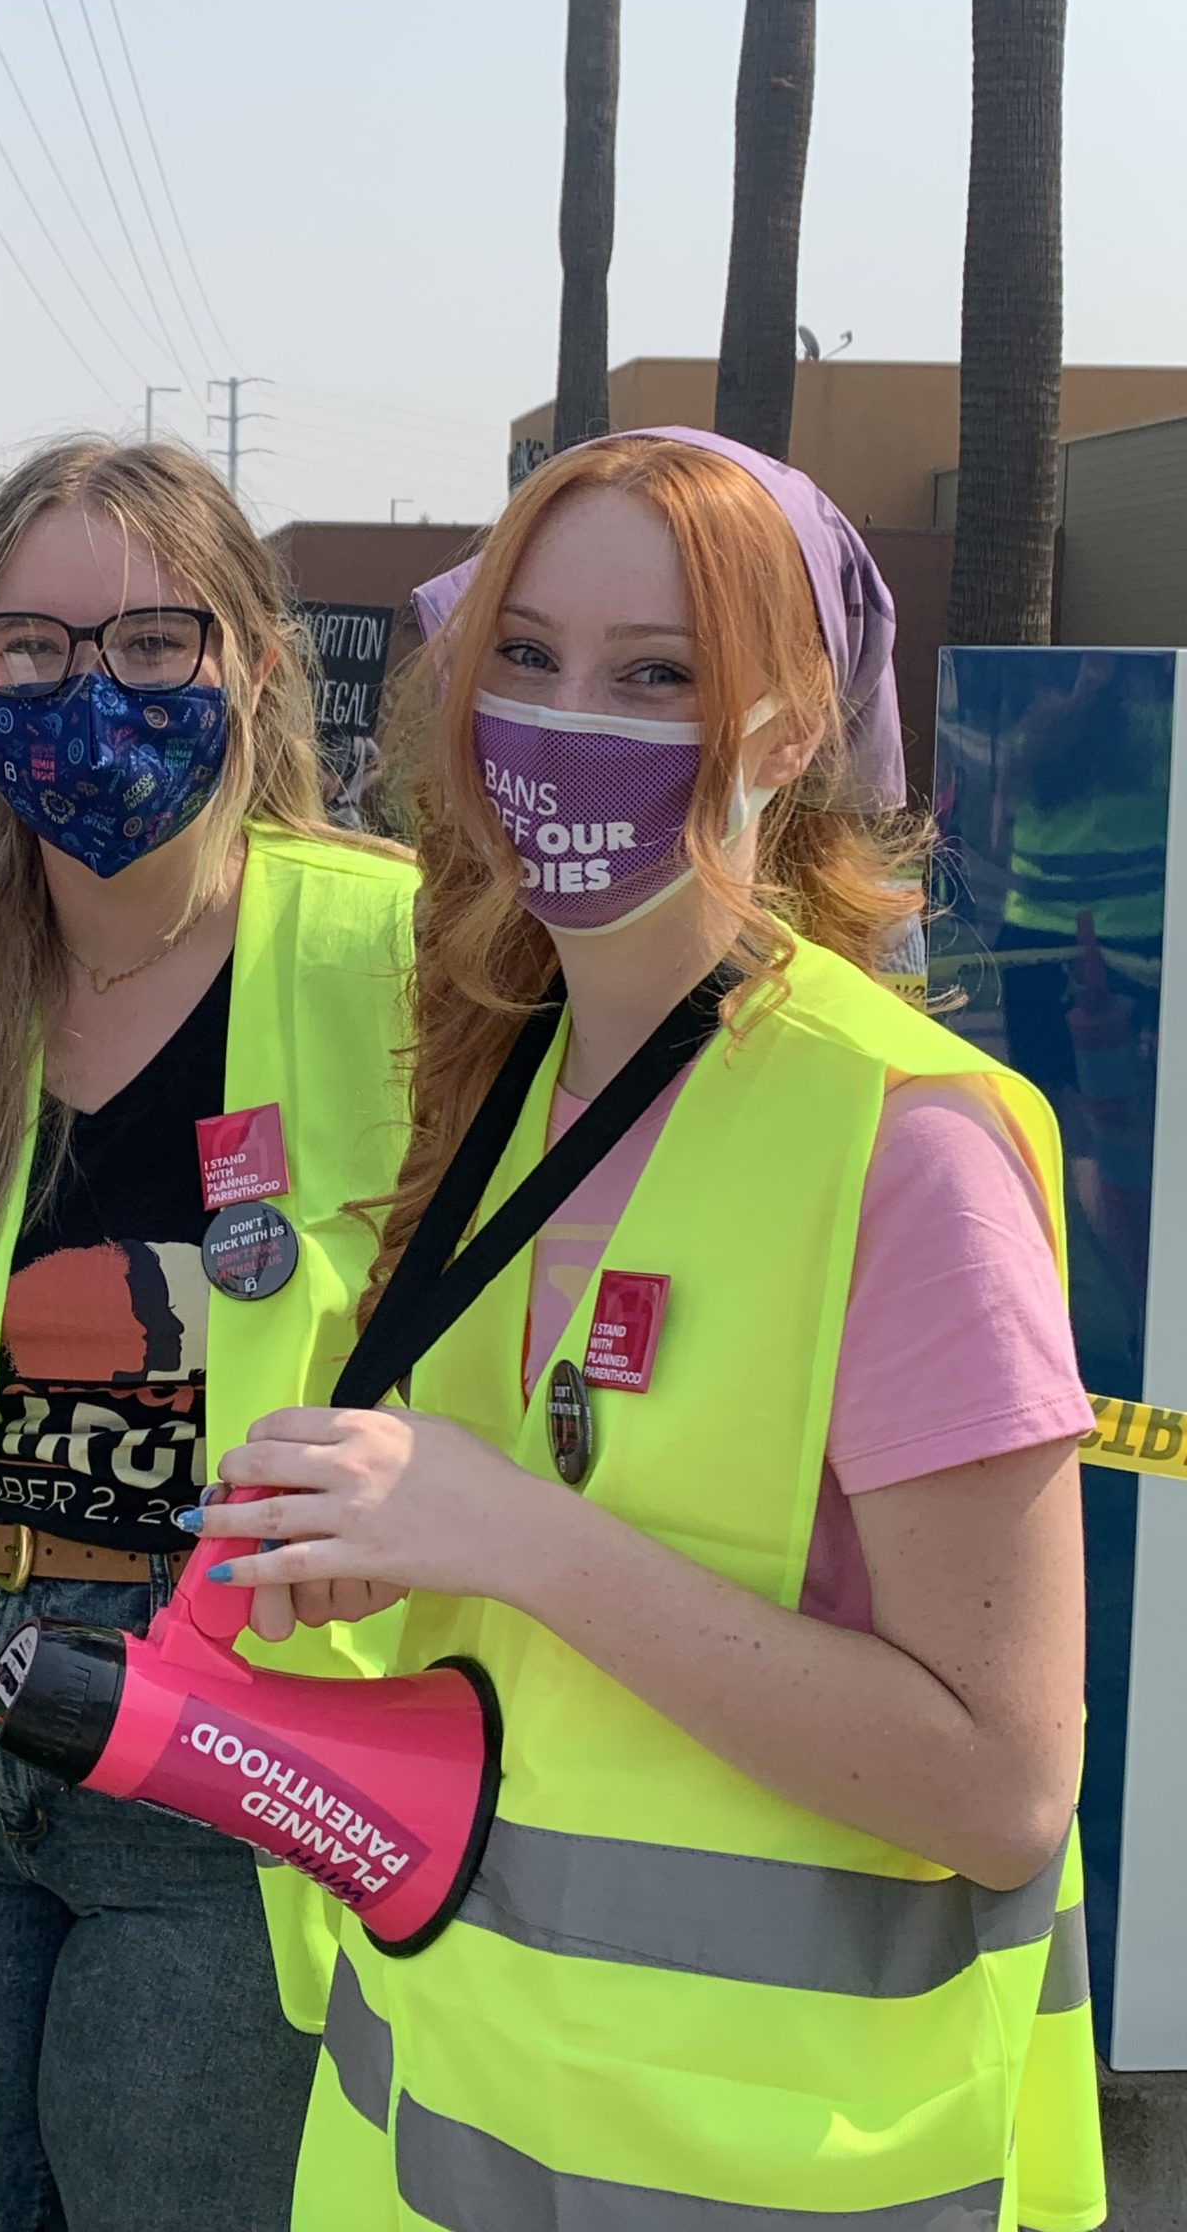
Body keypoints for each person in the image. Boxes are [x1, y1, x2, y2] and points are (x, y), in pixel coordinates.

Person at [192, 427, 1106, 2230]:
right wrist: (384, 1549)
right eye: (522, 657)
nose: (562, 720)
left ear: (784, 731)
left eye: (657, 673)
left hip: (777, 2172)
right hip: (450, 2127)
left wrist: (514, 1537)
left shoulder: (906, 1148)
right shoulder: (505, 1069)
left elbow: (1005, 1787)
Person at [0, 440, 418, 2231]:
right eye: (23, 647)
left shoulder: (410, 961)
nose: (85, 694)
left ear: (254, 666)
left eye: (150, 642)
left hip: (241, 1750)